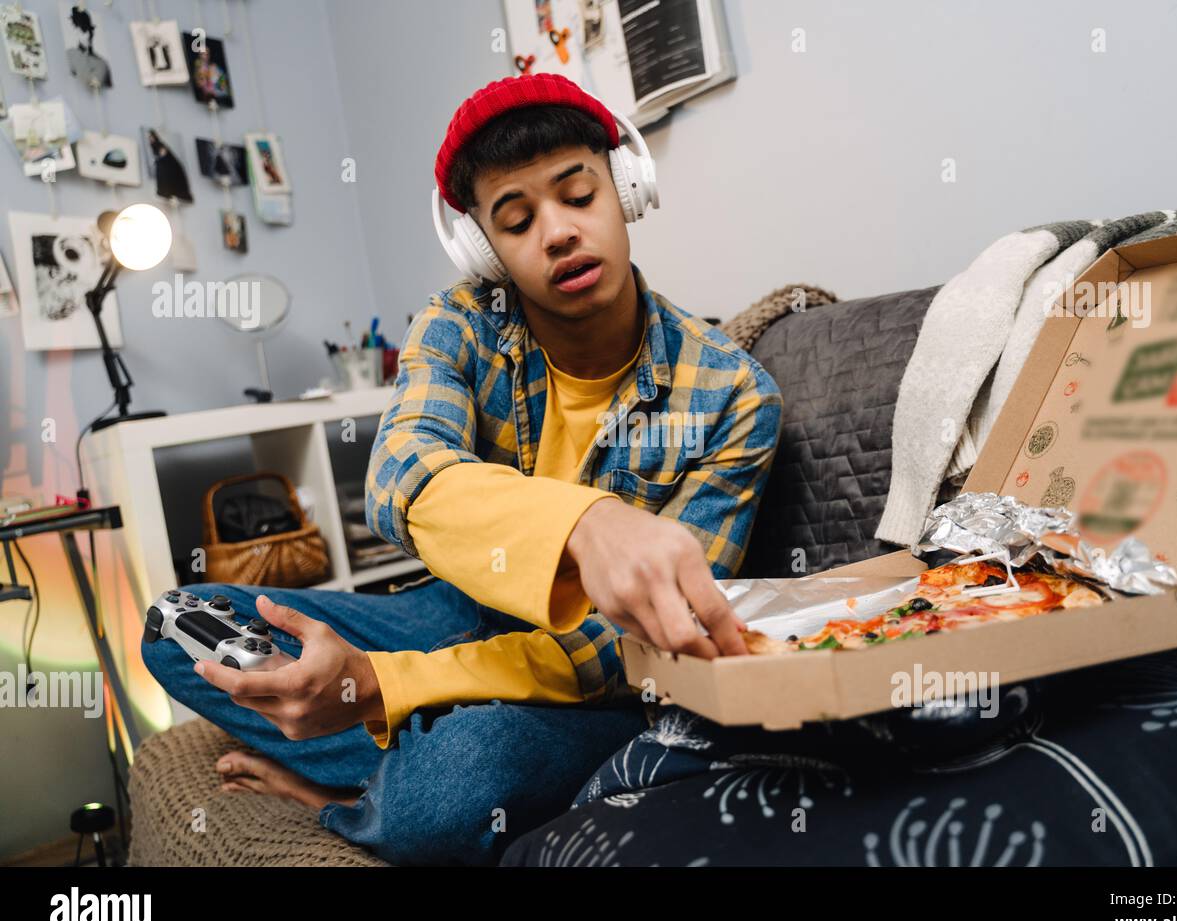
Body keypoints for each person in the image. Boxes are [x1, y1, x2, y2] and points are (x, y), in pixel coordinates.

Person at [141, 73, 783, 865]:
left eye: (579, 196)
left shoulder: (734, 394)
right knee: (179, 623)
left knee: (463, 776)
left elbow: (638, 647)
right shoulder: (461, 324)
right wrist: (586, 526)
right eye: (516, 220)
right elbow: (402, 474)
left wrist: (388, 682)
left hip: (595, 678)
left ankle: (351, 791)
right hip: (458, 609)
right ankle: (390, 751)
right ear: (484, 246)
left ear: (627, 189)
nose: (557, 232)